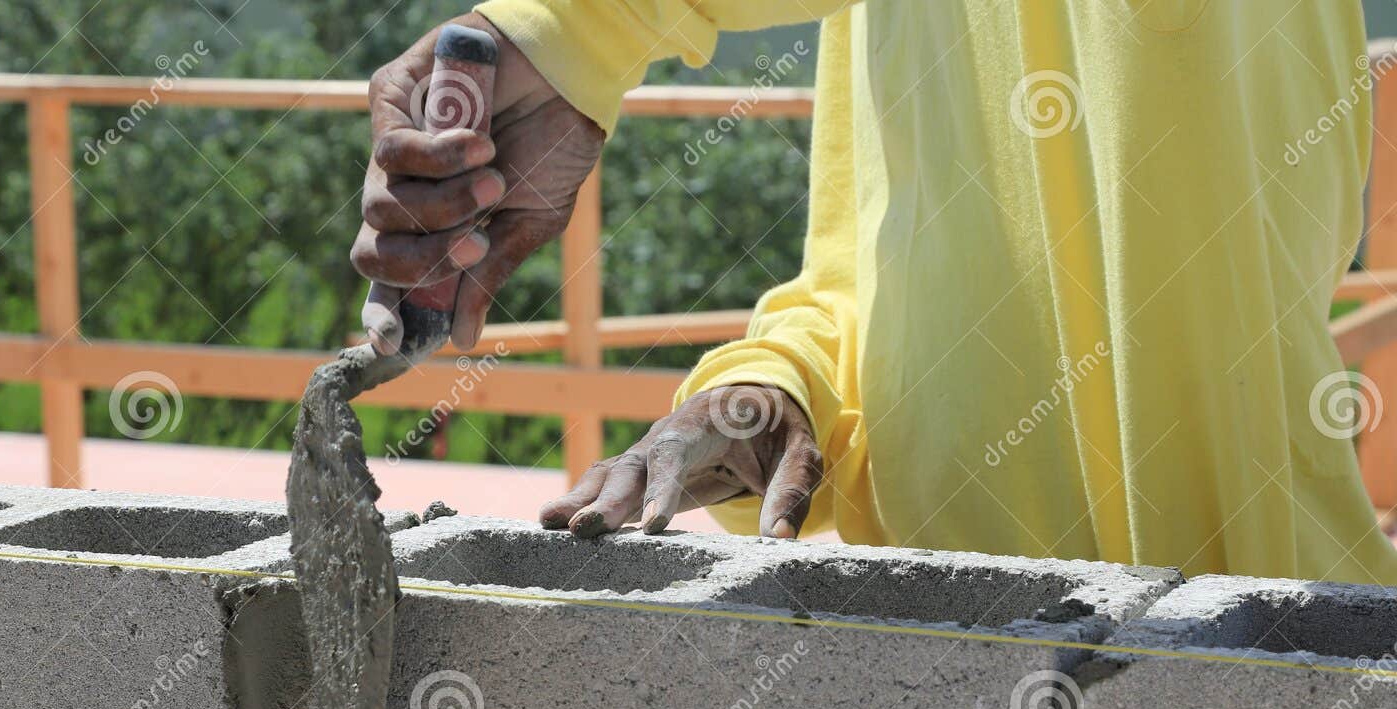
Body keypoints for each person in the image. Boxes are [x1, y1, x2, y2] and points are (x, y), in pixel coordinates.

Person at [354, 1, 1397, 584]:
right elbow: (866, 269)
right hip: (940, 661)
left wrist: (577, 27)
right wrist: (781, 393)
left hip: (1246, 657)